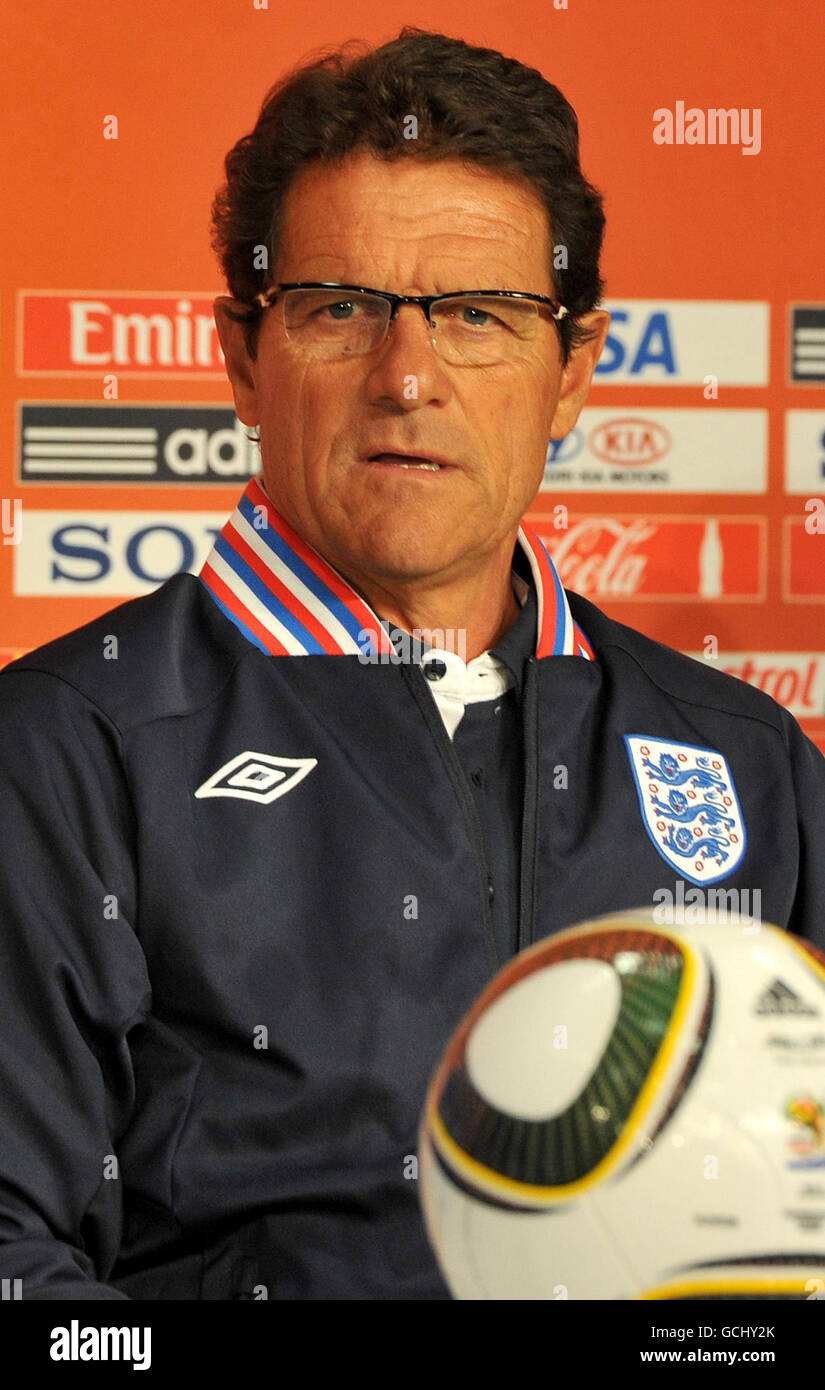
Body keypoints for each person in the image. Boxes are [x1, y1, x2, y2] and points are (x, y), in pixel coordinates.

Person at [1, 28, 823, 1302]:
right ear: (240, 363)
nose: (407, 378)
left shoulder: (744, 757)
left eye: (480, 318)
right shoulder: (67, 746)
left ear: (573, 376)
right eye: (340, 310)